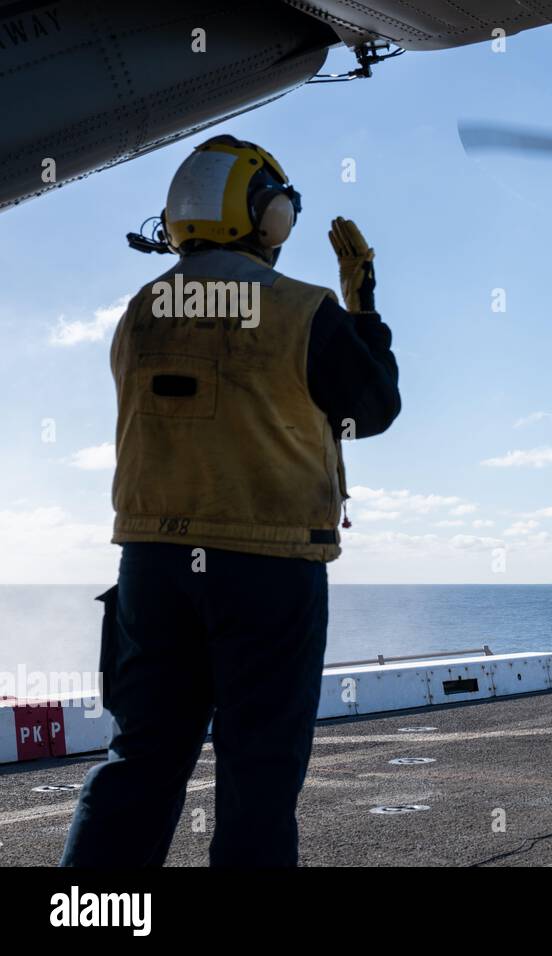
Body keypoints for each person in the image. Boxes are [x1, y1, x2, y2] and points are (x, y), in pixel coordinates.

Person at [61, 135, 401, 867]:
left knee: (140, 763)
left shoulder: (141, 311)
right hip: (267, 568)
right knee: (257, 778)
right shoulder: (302, 310)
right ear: (266, 217)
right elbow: (373, 410)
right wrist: (363, 306)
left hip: (150, 569)